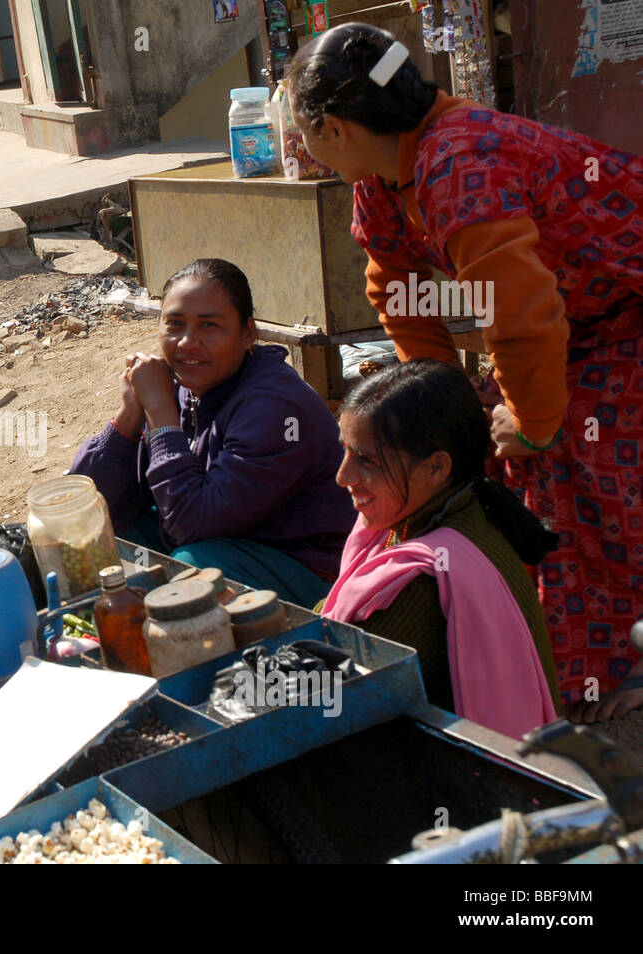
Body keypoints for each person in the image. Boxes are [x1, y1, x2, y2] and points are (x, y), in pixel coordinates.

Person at [286, 22, 643, 721]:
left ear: (332, 127)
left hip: (626, 312)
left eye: (303, 132)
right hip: (572, 326)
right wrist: (439, 405)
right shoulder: (383, 182)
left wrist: (535, 424)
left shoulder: (460, 163)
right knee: (500, 450)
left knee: (580, 457)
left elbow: (520, 314)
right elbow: (397, 290)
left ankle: (622, 663)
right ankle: (559, 648)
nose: (302, 148)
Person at [70, 258, 356, 607]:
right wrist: (130, 413)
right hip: (218, 538)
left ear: (248, 332)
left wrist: (160, 414)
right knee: (93, 530)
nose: (188, 342)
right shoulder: (181, 386)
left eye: (209, 326)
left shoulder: (277, 409)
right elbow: (83, 502)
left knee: (193, 568)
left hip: (305, 570)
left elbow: (190, 523)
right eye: (174, 324)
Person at [323, 361, 560, 738]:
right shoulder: (465, 509)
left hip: (466, 786)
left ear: (435, 468)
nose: (343, 476)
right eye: (346, 452)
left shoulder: (422, 579)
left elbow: (327, 699)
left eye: (366, 460)